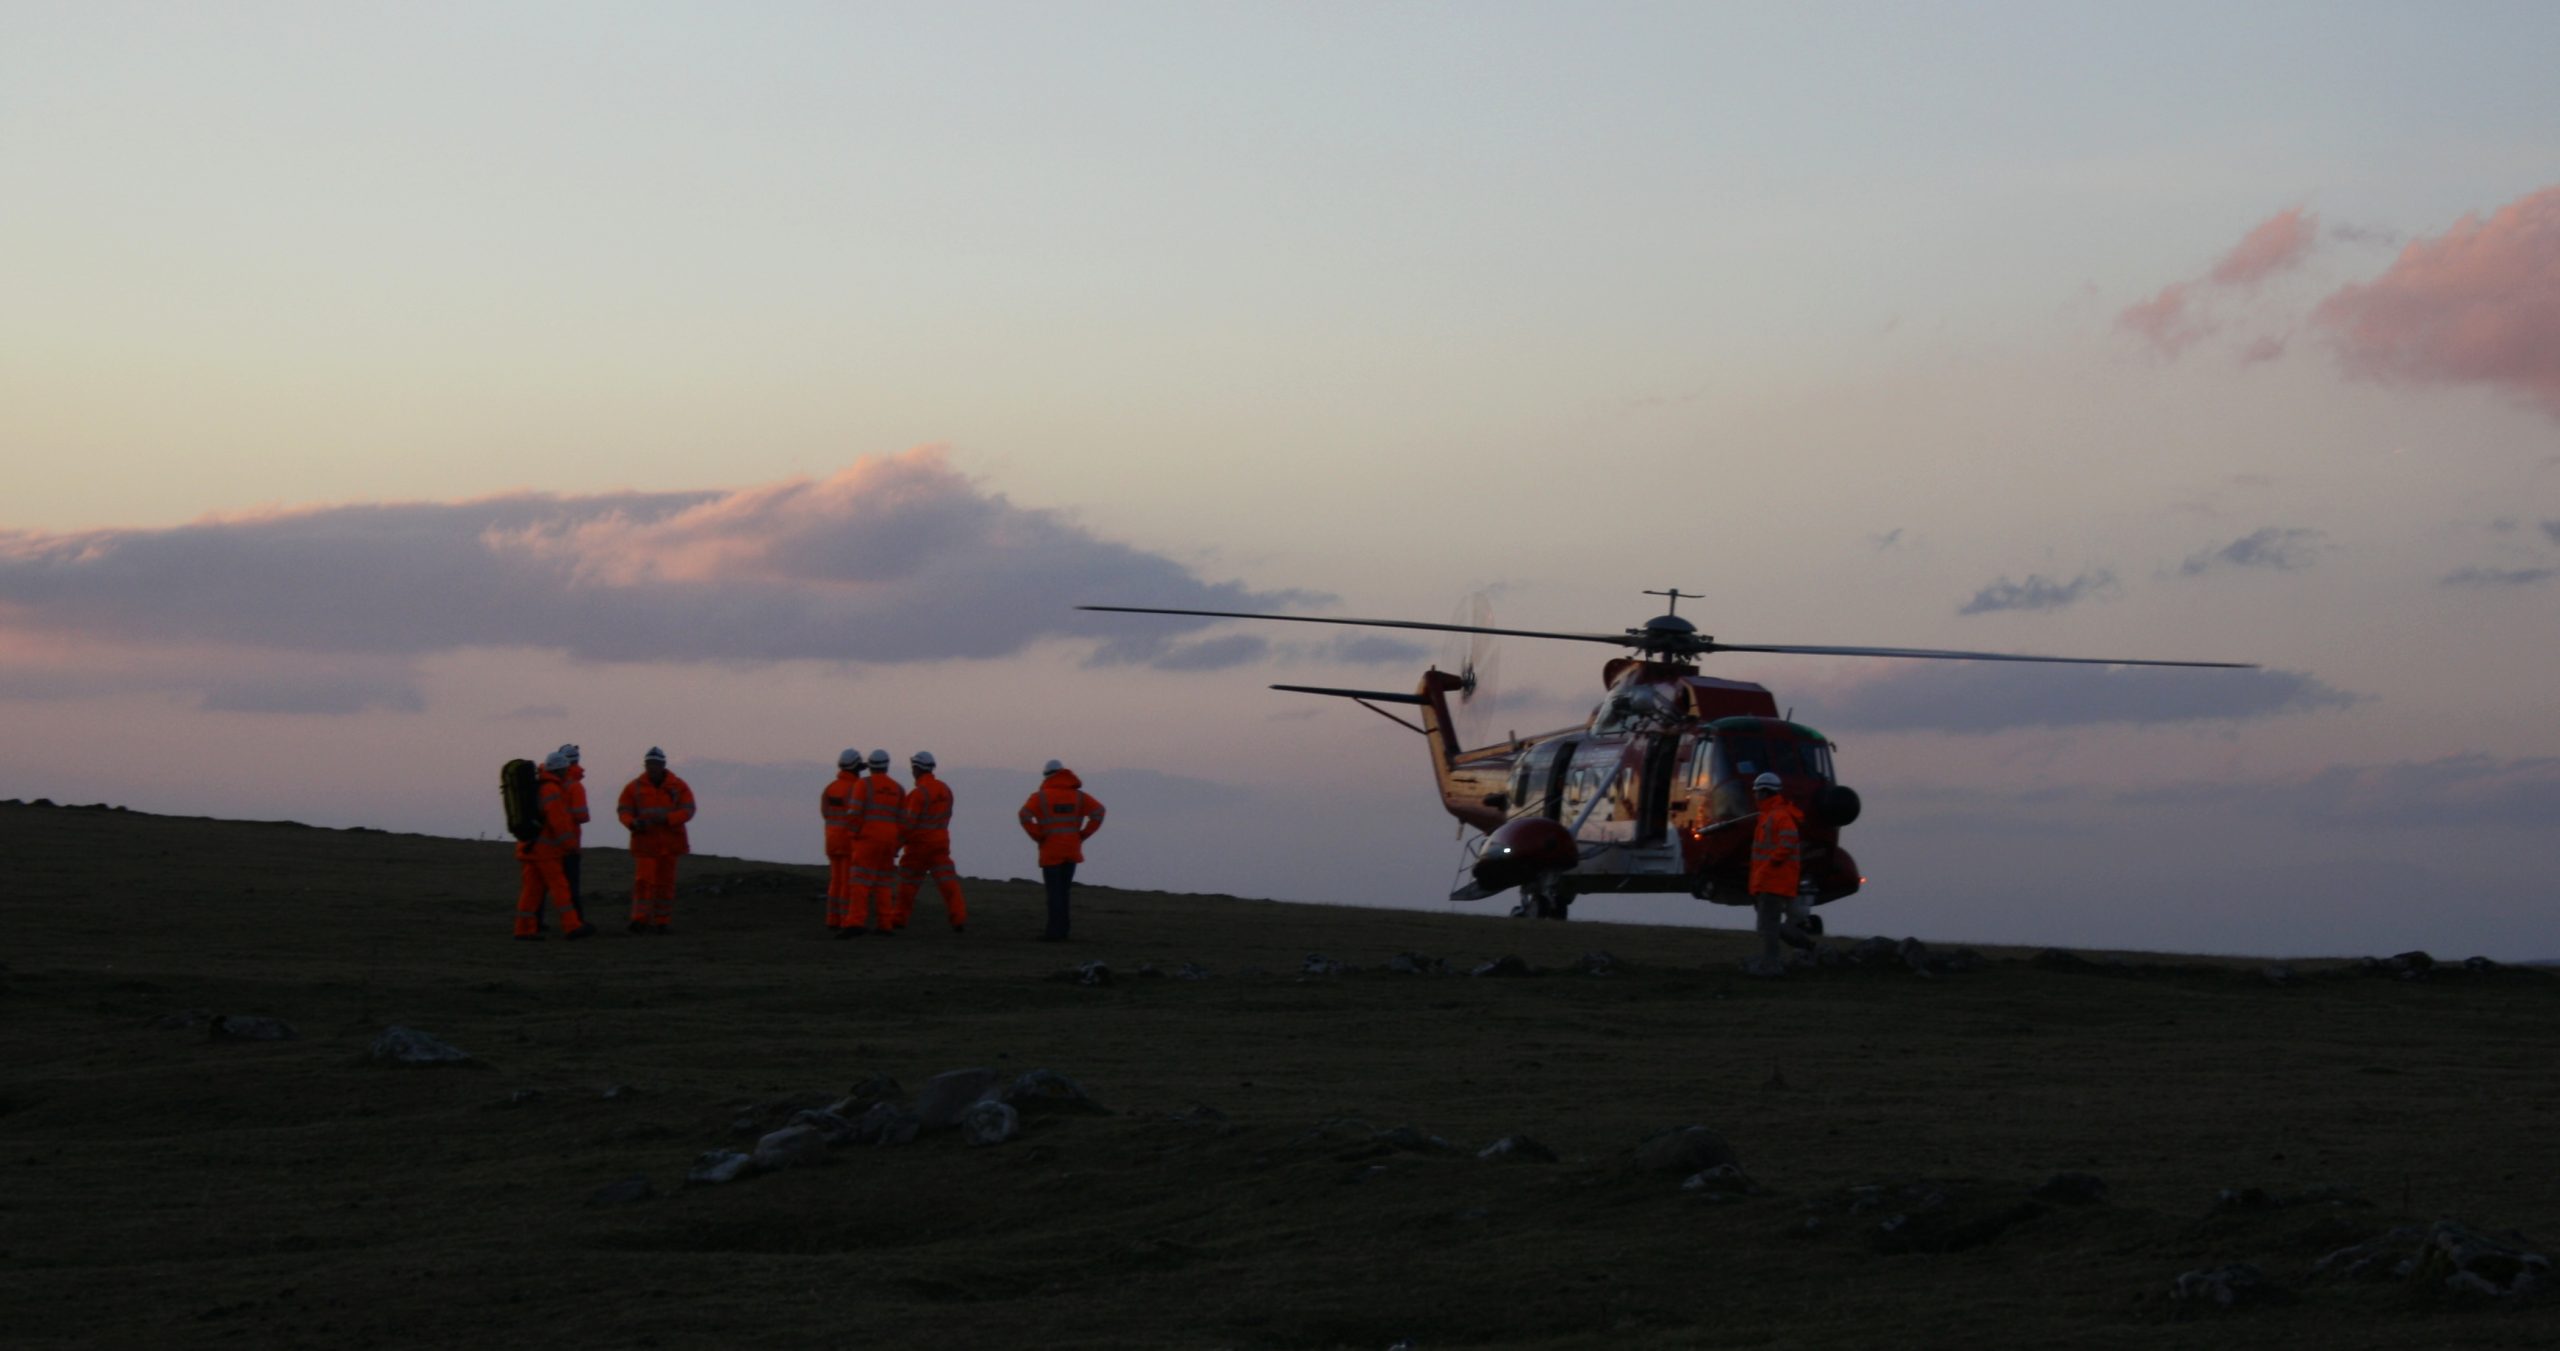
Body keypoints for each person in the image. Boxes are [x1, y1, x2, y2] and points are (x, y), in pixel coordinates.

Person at [1018, 758, 1104, 941]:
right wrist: (1083, 835)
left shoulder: (1040, 797)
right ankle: (1063, 931)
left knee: (1054, 894)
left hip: (1051, 852)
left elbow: (1024, 815)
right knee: (1064, 892)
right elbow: (1099, 812)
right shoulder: (1080, 796)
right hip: (1072, 851)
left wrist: (1037, 835)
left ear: (1047, 776)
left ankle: (1053, 933)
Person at [514, 750, 594, 941]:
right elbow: (558, 822)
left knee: (531, 892)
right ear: (560, 770)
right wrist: (570, 845)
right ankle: (571, 926)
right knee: (560, 888)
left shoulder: (537, 786)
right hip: (546, 851)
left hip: (529, 847)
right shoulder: (551, 789)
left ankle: (523, 929)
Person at [616, 747, 695, 934]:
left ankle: (662, 921)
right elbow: (623, 810)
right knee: (644, 882)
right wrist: (633, 823)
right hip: (645, 844)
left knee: (665, 885)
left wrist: (668, 819)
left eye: (655, 764)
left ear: (663, 765)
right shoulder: (633, 787)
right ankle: (639, 920)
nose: (652, 768)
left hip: (669, 844)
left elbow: (689, 809)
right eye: (649, 764)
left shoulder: (678, 786)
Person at [1746, 771, 1818, 975]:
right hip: (1767, 880)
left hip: (1772, 881)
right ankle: (1807, 946)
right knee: (1770, 925)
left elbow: (1787, 843)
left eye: (1758, 792)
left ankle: (1771, 963)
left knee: (1767, 926)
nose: (1755, 796)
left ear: (1766, 792)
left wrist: (1770, 865)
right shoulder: (1770, 815)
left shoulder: (1778, 815)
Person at [892, 750, 968, 933]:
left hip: (918, 848)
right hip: (940, 845)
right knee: (949, 884)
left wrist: (895, 846)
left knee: (908, 885)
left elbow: (907, 825)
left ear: (917, 769)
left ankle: (899, 919)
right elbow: (947, 815)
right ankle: (959, 918)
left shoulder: (918, 794)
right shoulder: (945, 790)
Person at [846, 749, 905, 936]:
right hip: (889, 840)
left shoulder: (863, 785)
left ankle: (855, 922)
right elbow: (903, 821)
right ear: (887, 765)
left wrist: (853, 835)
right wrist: (897, 845)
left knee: (860, 882)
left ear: (870, 766)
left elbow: (854, 813)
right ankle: (885, 924)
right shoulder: (898, 789)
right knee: (884, 883)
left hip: (868, 839)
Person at [821, 748, 864, 933]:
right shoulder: (856, 788)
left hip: (831, 841)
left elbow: (825, 813)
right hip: (849, 842)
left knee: (835, 881)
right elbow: (858, 816)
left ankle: (832, 918)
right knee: (847, 882)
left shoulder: (830, 788)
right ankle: (846, 919)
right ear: (854, 767)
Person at [552, 743, 589, 929]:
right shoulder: (575, 786)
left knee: (545, 885)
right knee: (572, 886)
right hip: (570, 843)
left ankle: (535, 921)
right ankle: (576, 921)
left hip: (549, 843)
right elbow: (582, 816)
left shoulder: (548, 783)